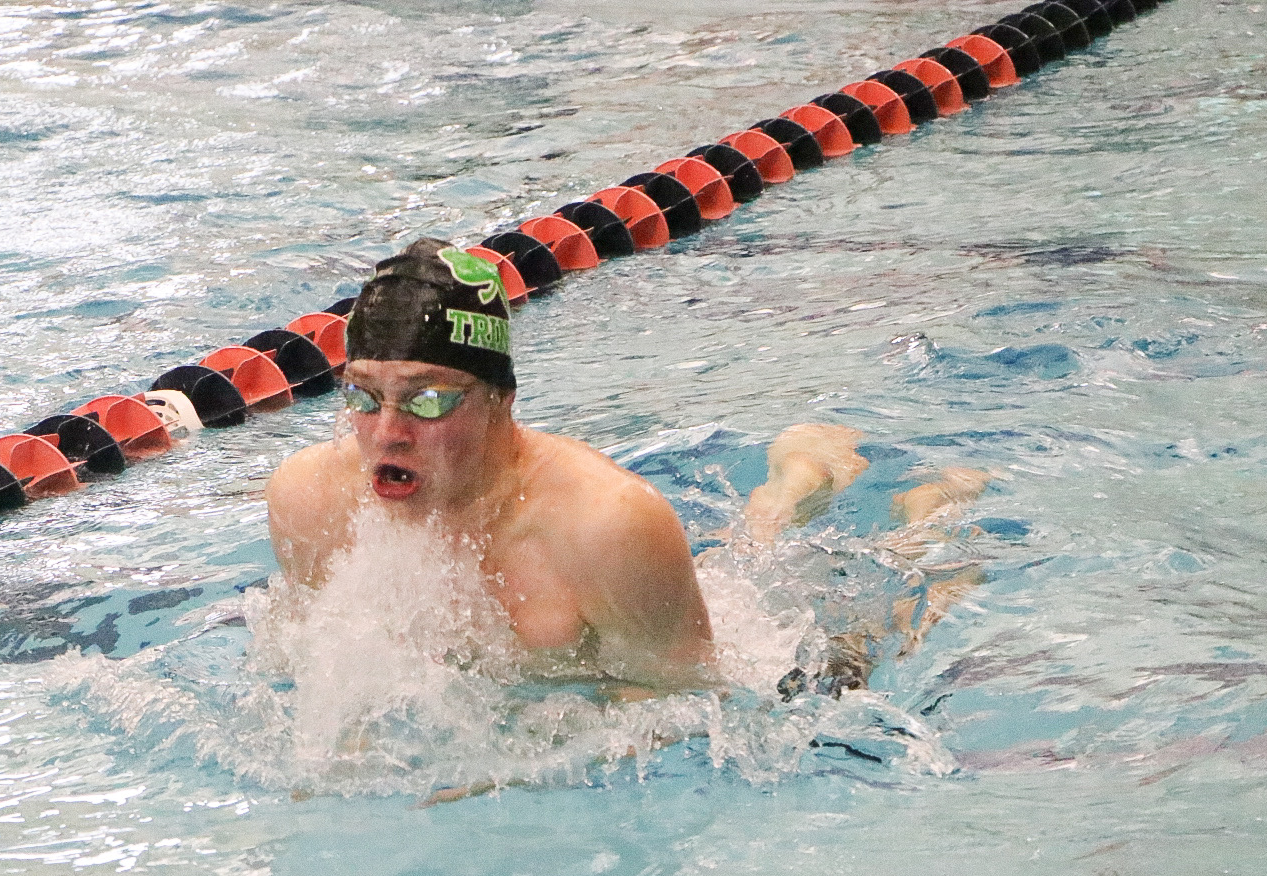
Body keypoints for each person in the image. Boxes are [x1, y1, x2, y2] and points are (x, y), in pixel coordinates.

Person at [264, 237, 981, 694]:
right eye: (365, 397)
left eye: (426, 402)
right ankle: (793, 478)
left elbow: (685, 710)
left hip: (744, 665)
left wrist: (510, 773)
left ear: (500, 402)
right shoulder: (309, 500)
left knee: (864, 646)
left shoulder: (604, 524)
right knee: (742, 551)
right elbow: (308, 663)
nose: (386, 433)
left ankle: (926, 514)